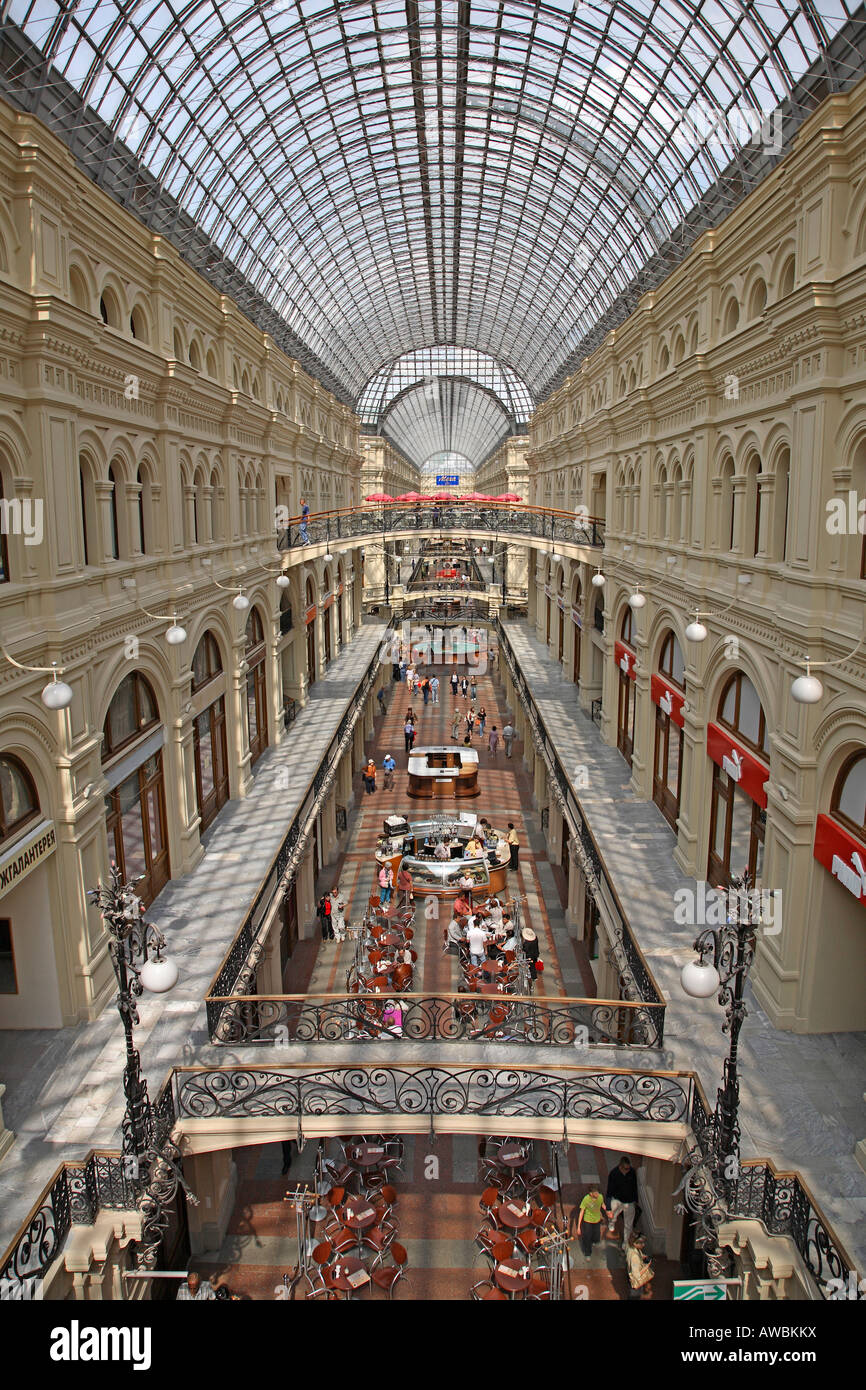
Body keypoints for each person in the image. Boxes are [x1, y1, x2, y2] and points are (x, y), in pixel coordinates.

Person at [606, 1156, 639, 1246]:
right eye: (625, 1168)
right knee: (613, 1214)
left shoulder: (632, 1172)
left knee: (629, 1224)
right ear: (620, 1166)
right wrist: (608, 1208)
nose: (628, 1170)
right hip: (617, 1200)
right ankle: (612, 1222)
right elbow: (609, 1191)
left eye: (628, 1168)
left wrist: (636, 1200)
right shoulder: (614, 1173)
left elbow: (635, 1187)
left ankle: (626, 1242)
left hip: (629, 1201)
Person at [573, 1185, 610, 1259]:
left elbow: (603, 1205)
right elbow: (581, 1212)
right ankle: (587, 1253)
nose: (597, 1194)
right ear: (590, 1193)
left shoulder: (600, 1197)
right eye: (595, 1193)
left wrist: (608, 1211)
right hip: (588, 1220)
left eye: (597, 1192)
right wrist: (579, 1227)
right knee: (587, 1237)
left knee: (596, 1234)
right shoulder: (586, 1199)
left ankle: (595, 1242)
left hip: (597, 1220)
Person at [626, 1233, 654, 1300]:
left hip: (631, 1277)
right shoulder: (634, 1257)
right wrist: (647, 1266)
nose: (643, 1245)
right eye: (641, 1243)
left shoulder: (631, 1249)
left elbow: (638, 1254)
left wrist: (642, 1256)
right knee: (635, 1296)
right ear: (635, 1243)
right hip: (636, 1282)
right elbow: (636, 1275)